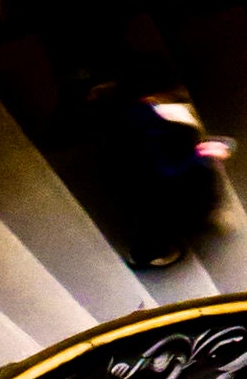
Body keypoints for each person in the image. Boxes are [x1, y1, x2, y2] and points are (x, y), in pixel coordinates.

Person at [88, 79, 232, 270]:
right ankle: (148, 253)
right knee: (156, 212)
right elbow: (163, 174)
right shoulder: (144, 131)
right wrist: (201, 154)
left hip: (126, 169)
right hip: (147, 189)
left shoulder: (123, 111)